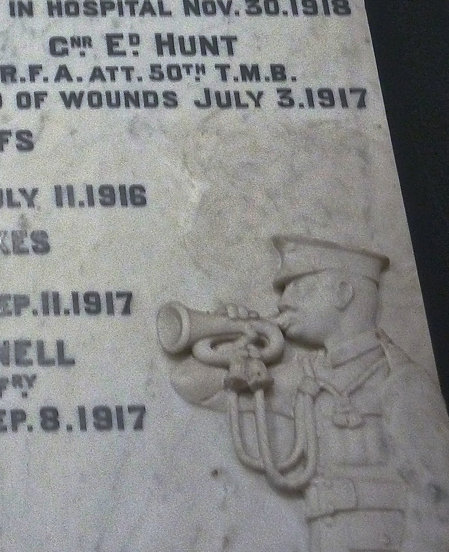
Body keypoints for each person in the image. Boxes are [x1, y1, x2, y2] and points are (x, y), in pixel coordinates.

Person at [166, 235, 449, 552]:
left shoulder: (400, 380)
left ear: (343, 293)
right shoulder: (304, 376)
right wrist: (228, 334)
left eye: (300, 286)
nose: (283, 301)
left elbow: (438, 492)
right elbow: (188, 382)